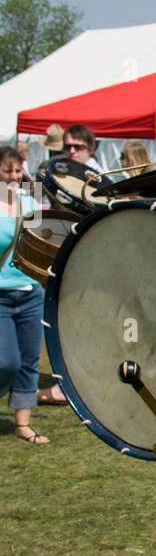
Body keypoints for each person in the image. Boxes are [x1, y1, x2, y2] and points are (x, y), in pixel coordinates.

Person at [0, 147, 49, 445]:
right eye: (7, 170)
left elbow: (43, 240)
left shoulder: (31, 200)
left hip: (31, 292)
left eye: (17, 170)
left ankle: (23, 424)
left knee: (29, 361)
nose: (14, 176)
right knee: (7, 362)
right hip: (1, 296)